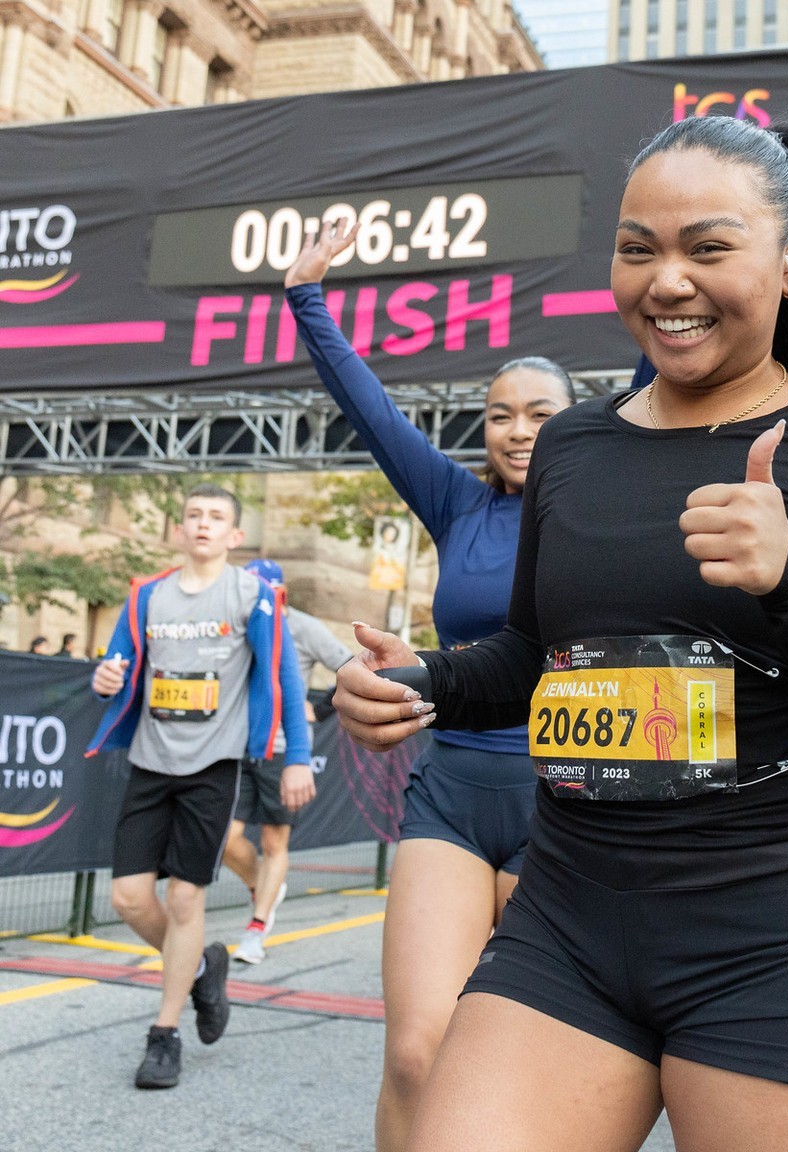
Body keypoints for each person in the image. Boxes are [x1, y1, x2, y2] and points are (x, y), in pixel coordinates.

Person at [330, 115, 788, 1152]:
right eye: (638, 249)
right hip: (567, 928)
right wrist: (421, 680)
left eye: (708, 248)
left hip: (776, 944)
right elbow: (535, 659)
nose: (667, 283)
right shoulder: (572, 446)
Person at [282, 235, 577, 1152]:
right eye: (498, 414)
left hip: (565, 806)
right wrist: (307, 301)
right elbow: (370, 412)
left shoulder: (604, 503)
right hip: (450, 795)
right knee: (415, 1054)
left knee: (529, 1068)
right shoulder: (456, 505)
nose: (517, 429)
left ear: (579, 421)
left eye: (538, 413)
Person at [84, 483, 312, 1090]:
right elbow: (115, 669)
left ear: (235, 536)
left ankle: (165, 1036)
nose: (203, 524)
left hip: (214, 768)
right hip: (150, 764)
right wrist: (104, 679)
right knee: (130, 899)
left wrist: (298, 757)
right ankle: (204, 968)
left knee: (186, 900)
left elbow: (285, 679)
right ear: (178, 530)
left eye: (217, 517)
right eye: (193, 515)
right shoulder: (146, 597)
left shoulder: (253, 596)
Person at [223, 557, 354, 964]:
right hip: (235, 744)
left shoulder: (301, 626)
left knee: (273, 841)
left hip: (283, 748)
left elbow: (351, 665)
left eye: (260, 590)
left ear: (280, 594)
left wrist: (321, 708)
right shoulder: (235, 623)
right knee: (224, 837)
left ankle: (256, 929)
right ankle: (264, 885)